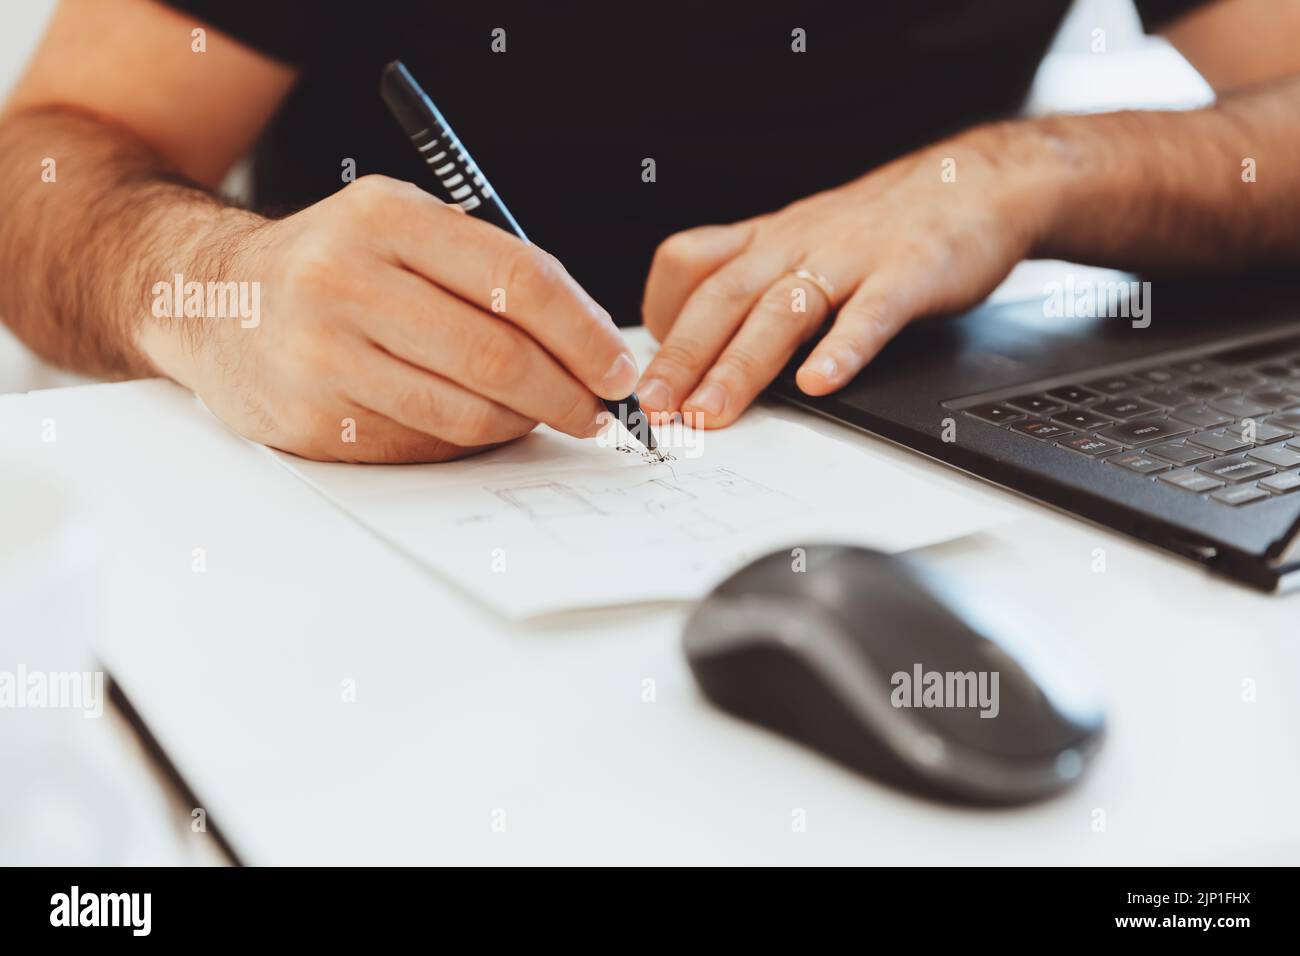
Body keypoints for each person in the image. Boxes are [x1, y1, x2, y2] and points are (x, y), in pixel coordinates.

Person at [1, 0, 1298, 462]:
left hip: (933, 465)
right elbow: (41, 156)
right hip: (393, 489)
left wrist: (1038, 171)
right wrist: (222, 283)